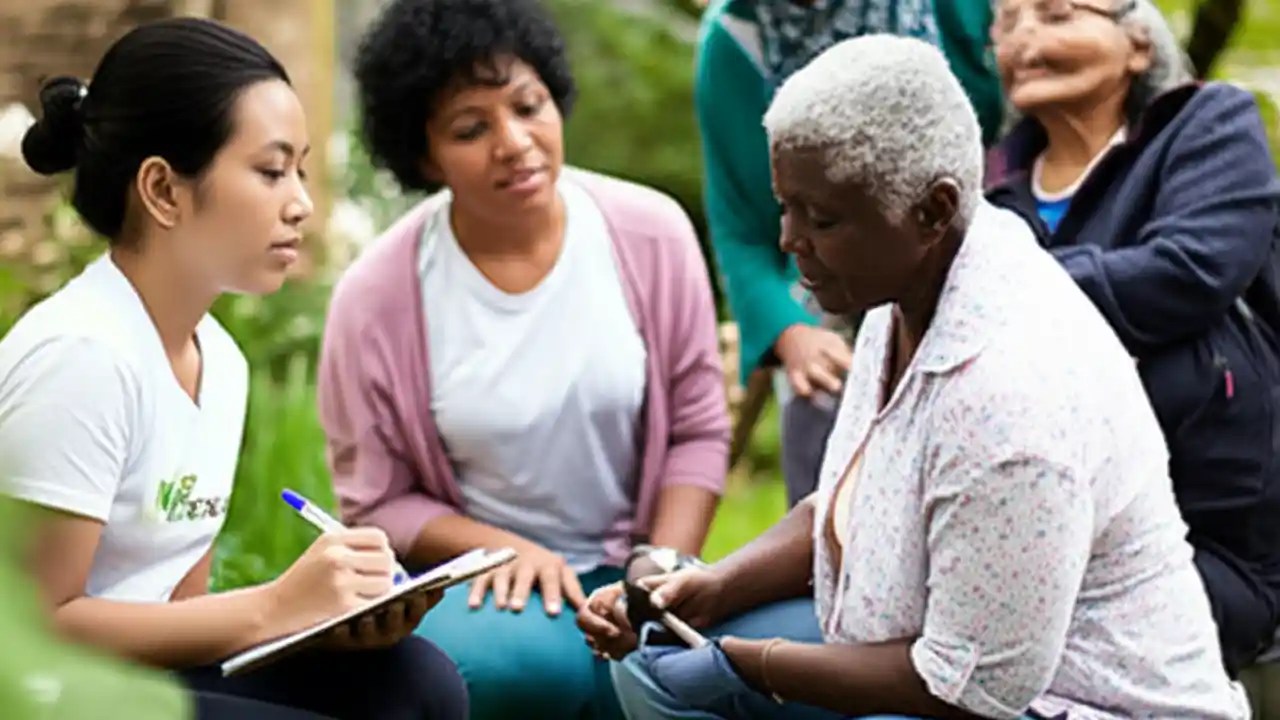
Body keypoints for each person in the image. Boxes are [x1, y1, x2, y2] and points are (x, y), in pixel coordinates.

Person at [578, 34, 1252, 720]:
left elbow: (966, 690)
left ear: (931, 209)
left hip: (1065, 704)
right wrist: (712, 588)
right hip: (943, 665)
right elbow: (851, 501)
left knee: (696, 685)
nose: (788, 240)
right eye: (786, 206)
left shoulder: (1009, 396)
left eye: (822, 217)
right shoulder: (910, 289)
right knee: (654, 661)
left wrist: (748, 666)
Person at [0, 17, 467, 720]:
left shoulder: (219, 361)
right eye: (271, 170)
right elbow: (35, 630)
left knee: (414, 684)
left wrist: (315, 621)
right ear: (162, 189)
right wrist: (274, 605)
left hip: (129, 680)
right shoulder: (82, 357)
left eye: (302, 170)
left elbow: (178, 611)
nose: (302, 203)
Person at [318, 1, 730, 718]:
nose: (514, 142)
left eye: (528, 106)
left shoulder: (652, 233)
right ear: (423, 156)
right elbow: (377, 498)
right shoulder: (377, 294)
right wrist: (502, 547)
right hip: (485, 582)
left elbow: (697, 431)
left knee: (678, 677)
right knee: (501, 676)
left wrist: (656, 579)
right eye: (471, 129)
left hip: (635, 564)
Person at [984, 0, 1280, 676]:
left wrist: (1001, 286)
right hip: (1049, 537)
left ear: (1139, 44)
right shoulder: (989, 201)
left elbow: (1191, 270)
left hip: (1212, 537)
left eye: (1057, 15)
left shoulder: (1210, 124)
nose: (1025, 36)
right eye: (1006, 23)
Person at [694, 0, 1005, 507]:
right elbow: (740, 225)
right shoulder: (733, 39)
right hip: (827, 276)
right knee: (823, 414)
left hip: (963, 238)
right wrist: (788, 332)